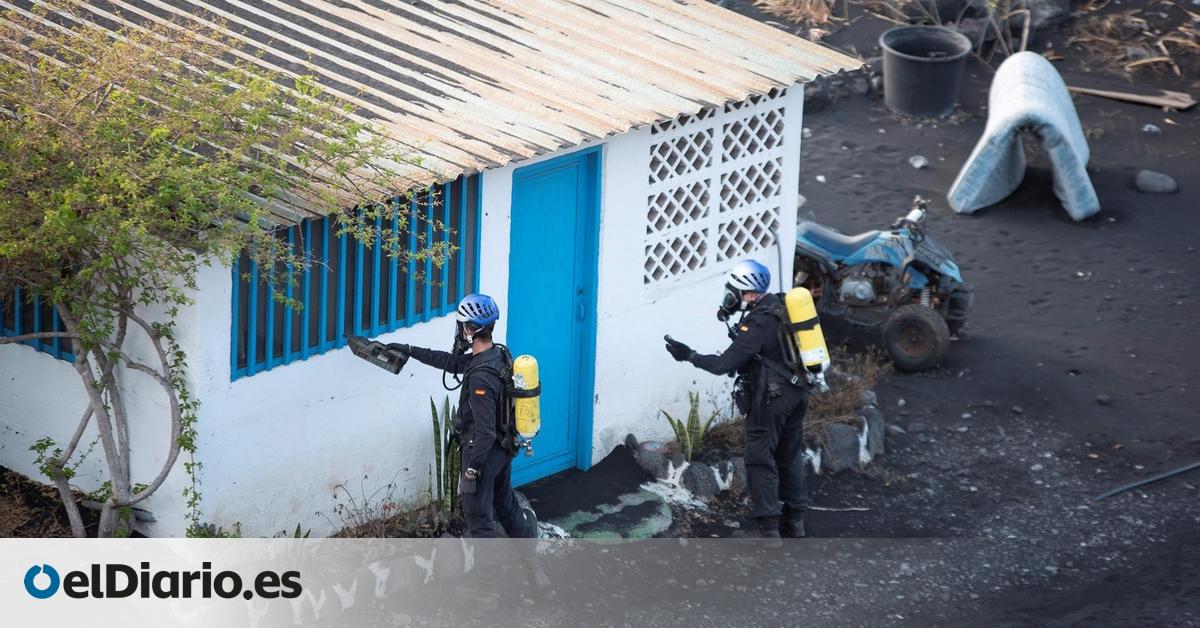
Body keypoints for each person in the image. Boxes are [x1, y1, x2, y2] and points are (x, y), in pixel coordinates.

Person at [387, 293, 547, 606]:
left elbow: (485, 431)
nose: (459, 330)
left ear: (470, 329)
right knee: (508, 509)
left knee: (480, 522)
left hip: (483, 455)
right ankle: (534, 569)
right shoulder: (498, 356)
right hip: (503, 452)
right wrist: (409, 351)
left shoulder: (480, 377)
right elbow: (452, 362)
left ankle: (484, 590)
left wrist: (471, 470)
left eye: (462, 324)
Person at [664, 260, 810, 545]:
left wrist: (689, 355)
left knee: (759, 460)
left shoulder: (757, 322)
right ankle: (795, 521)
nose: (730, 296)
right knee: (789, 455)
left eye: (735, 291)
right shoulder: (781, 306)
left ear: (750, 293)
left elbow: (723, 364)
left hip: (771, 400)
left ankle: (767, 530)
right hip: (797, 392)